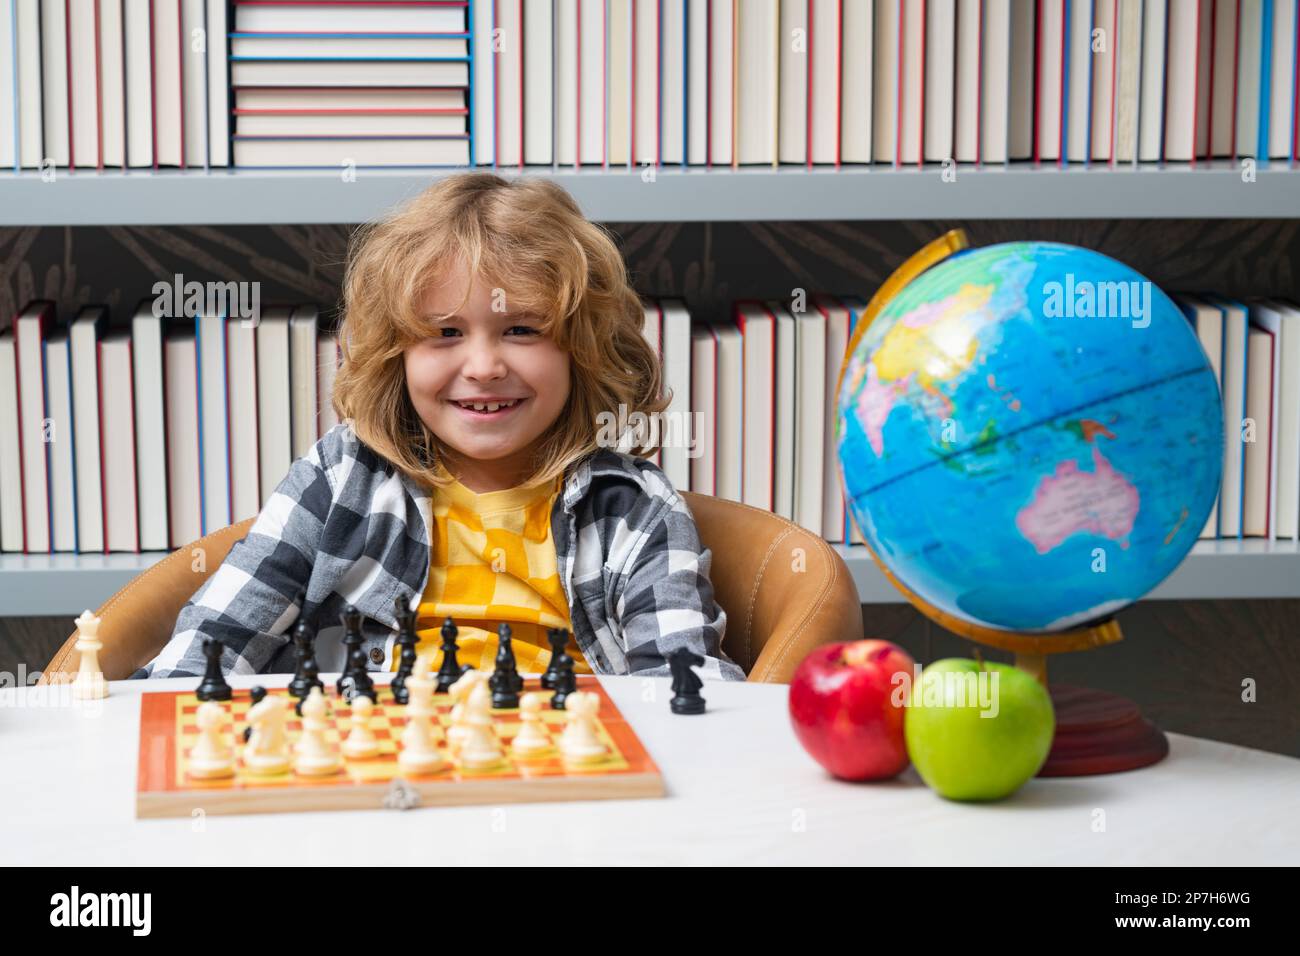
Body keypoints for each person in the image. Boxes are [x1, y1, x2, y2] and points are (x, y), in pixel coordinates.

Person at [133, 173, 745, 683]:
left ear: (579, 351)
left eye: (523, 329)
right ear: (394, 354)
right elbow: (211, 646)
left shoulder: (634, 510)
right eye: (445, 333)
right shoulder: (340, 476)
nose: (483, 367)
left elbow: (682, 693)